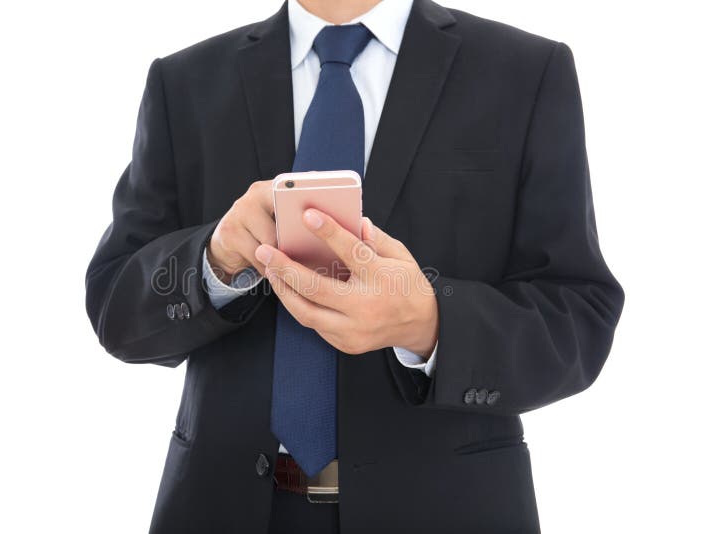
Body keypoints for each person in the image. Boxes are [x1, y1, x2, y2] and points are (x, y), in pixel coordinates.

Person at [85, 0, 624, 532]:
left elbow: (579, 312)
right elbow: (116, 306)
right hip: (219, 505)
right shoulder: (184, 81)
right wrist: (214, 260)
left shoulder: (526, 72)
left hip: (448, 508)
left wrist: (431, 324)